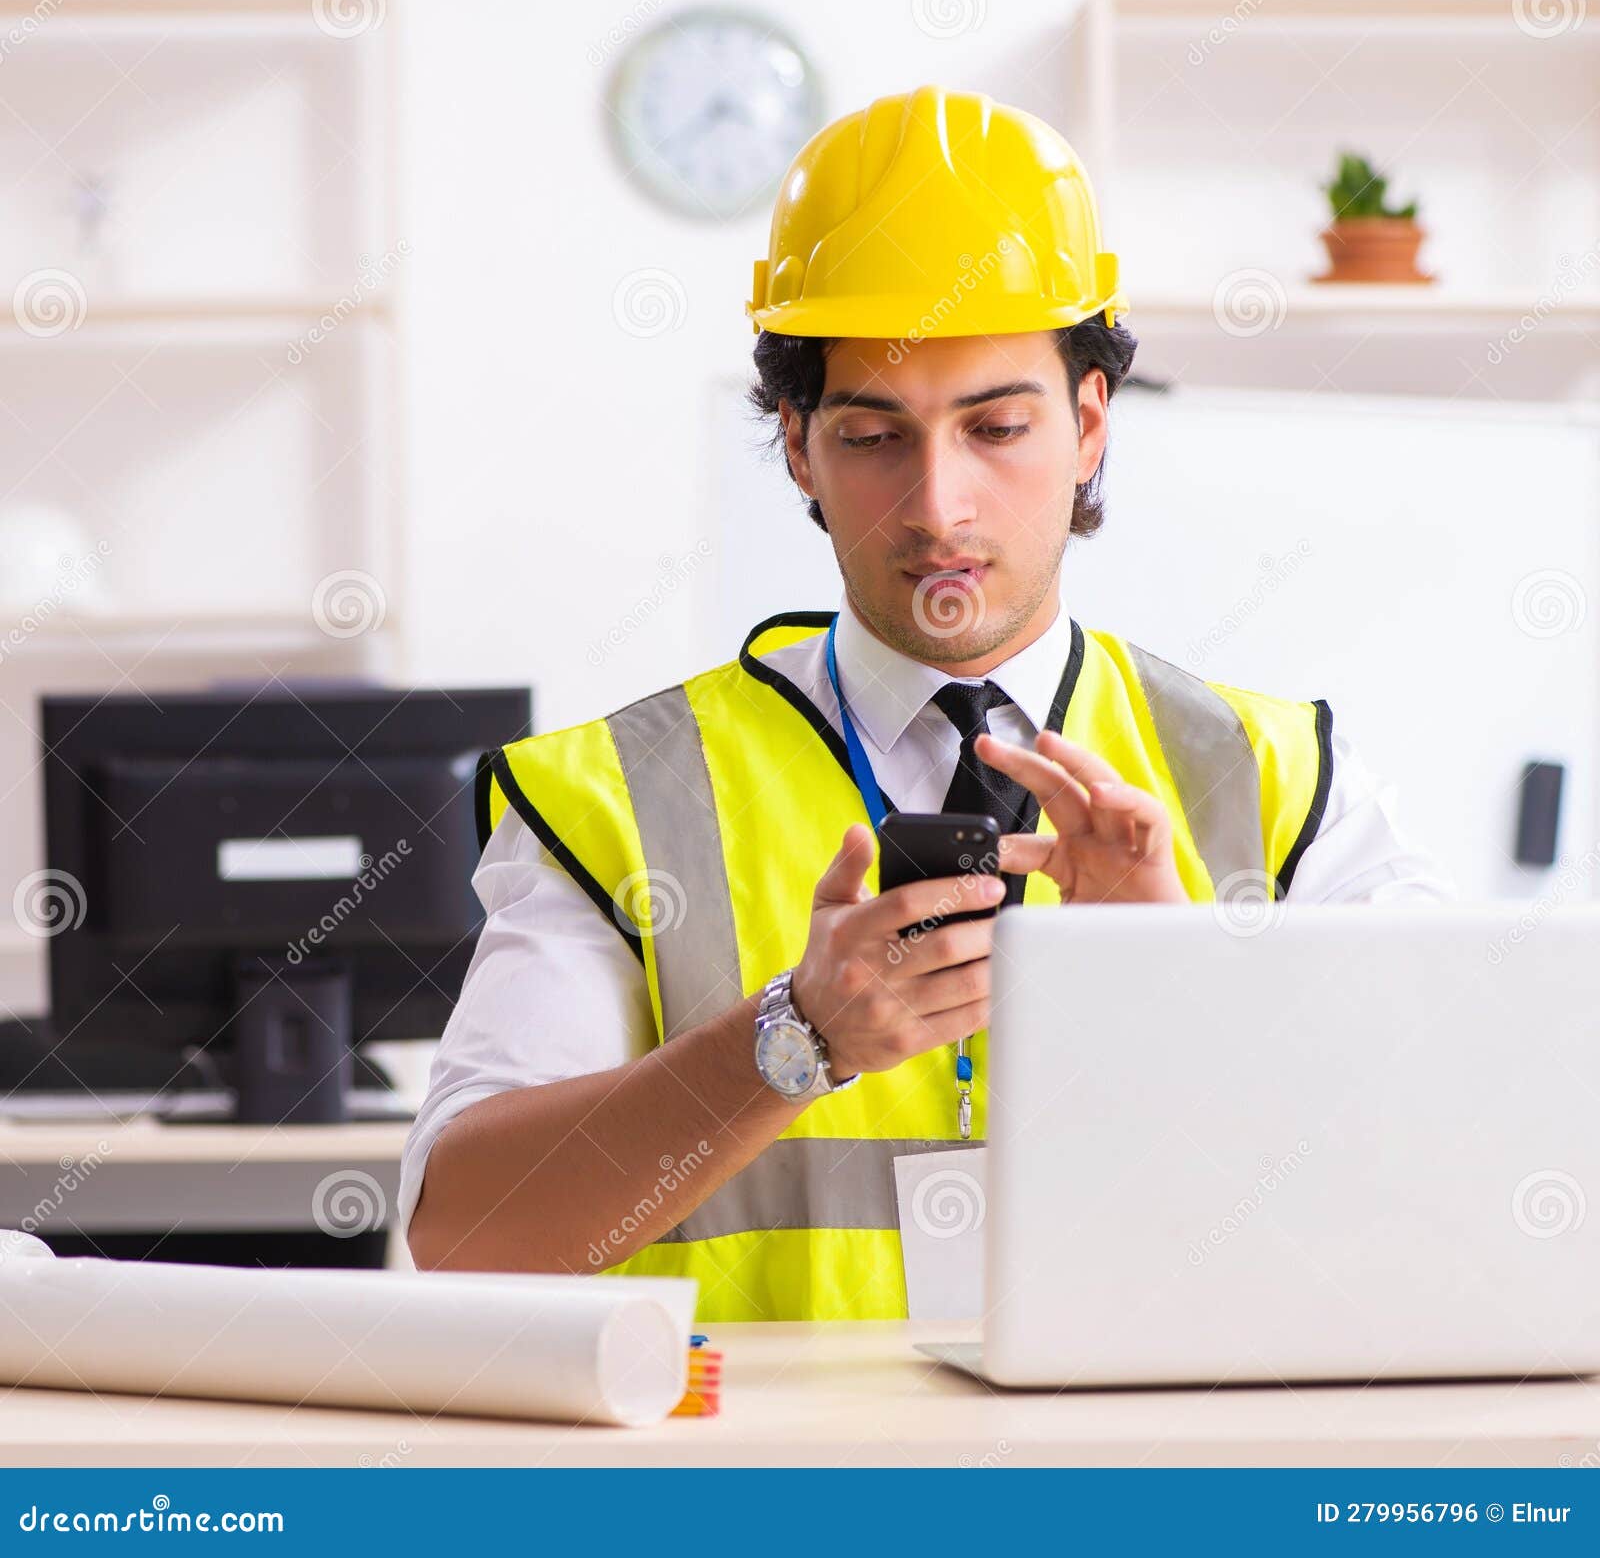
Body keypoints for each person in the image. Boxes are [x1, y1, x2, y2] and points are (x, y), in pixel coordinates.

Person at [404, 85, 1447, 1320]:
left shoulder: (1283, 782)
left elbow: (1445, 1195)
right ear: (796, 449)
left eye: (997, 427)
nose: (939, 504)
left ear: (1090, 425)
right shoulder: (614, 797)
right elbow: (469, 1235)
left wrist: (1182, 988)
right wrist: (787, 1045)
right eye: (872, 437)